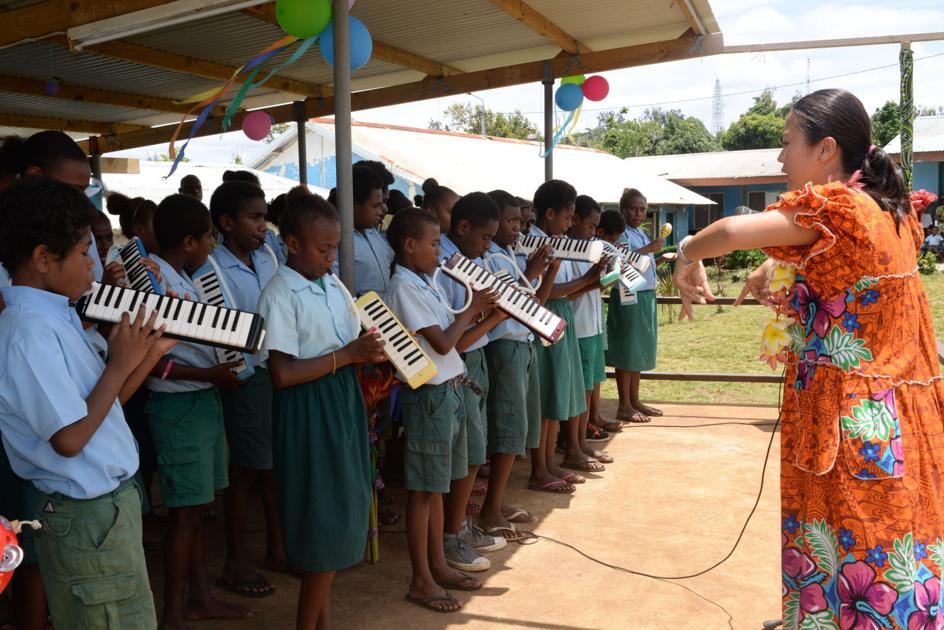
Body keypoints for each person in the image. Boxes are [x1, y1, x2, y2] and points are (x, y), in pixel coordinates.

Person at [674, 88, 944, 628]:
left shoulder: (840, 208)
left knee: (855, 544)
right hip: (890, 419)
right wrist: (773, 270)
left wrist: (684, 255)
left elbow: (727, 231)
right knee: (881, 547)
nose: (780, 158)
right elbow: (848, 276)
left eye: (787, 142)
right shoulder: (888, 212)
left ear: (825, 149)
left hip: (852, 424)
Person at [0, 176, 173, 630]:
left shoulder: (55, 314)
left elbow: (102, 411)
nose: (95, 266)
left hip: (104, 512)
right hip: (84, 518)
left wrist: (149, 351)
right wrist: (119, 362)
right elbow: (71, 439)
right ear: (42, 258)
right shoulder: (28, 331)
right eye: (83, 254)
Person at [258, 187, 385, 629]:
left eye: (335, 249)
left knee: (340, 508)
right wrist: (349, 355)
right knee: (322, 522)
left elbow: (353, 337)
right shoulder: (280, 293)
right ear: (292, 243)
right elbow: (283, 374)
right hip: (307, 410)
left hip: (341, 400)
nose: (331, 258)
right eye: (323, 248)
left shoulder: (331, 284)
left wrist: (372, 351)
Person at [385, 208, 498, 612]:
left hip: (447, 391)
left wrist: (491, 315)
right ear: (409, 246)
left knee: (435, 491)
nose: (439, 251)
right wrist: (473, 306)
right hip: (428, 397)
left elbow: (457, 343)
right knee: (422, 493)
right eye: (433, 244)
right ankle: (421, 578)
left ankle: (436, 566)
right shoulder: (403, 288)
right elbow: (445, 343)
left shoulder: (423, 283)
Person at [146, 194, 248, 630]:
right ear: (189, 241)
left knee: (200, 506)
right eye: (208, 237)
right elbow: (153, 361)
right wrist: (211, 375)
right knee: (185, 513)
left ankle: (199, 596)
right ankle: (173, 611)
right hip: (180, 406)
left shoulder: (180, 277)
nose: (212, 245)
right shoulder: (153, 282)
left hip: (200, 402)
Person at [206, 181, 285, 599]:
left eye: (264, 216)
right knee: (246, 470)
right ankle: (235, 559)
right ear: (226, 222)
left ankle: (276, 545)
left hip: (275, 370)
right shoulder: (213, 269)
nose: (262, 225)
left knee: (272, 466)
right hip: (246, 376)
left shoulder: (268, 256)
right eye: (254, 217)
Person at [434, 193, 510, 571]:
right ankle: (451, 535)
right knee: (461, 454)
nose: (489, 246)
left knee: (472, 451)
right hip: (458, 365)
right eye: (485, 238)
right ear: (463, 228)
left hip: (472, 359)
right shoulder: (449, 266)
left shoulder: (468, 260)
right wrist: (492, 316)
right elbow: (455, 338)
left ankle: (460, 527)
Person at [528, 180, 606, 493]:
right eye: (567, 217)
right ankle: (539, 468)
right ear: (549, 214)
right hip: (544, 322)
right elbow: (543, 294)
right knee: (547, 398)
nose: (570, 223)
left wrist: (593, 282)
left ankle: (548, 463)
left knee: (556, 398)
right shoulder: (535, 244)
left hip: (559, 320)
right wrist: (587, 280)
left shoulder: (553, 241)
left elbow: (564, 291)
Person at [480, 190, 550, 537]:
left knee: (517, 426)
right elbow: (510, 302)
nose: (518, 228)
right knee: (506, 427)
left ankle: (498, 499)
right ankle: (490, 509)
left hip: (523, 342)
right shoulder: (489, 258)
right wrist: (531, 269)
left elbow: (535, 300)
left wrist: (541, 270)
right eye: (511, 221)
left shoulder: (508, 252)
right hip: (504, 344)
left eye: (520, 221)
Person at [605, 188, 672, 424]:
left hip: (644, 296)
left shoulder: (640, 233)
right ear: (622, 209)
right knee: (626, 351)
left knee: (638, 351)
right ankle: (624, 405)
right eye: (633, 208)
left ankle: (635, 400)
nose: (638, 213)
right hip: (628, 295)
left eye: (642, 209)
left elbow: (641, 262)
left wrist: (659, 258)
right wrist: (651, 249)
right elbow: (620, 260)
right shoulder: (621, 233)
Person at [566, 195, 614, 465]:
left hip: (593, 326)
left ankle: (581, 442)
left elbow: (593, 286)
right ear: (574, 221)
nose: (593, 232)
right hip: (580, 327)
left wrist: (605, 278)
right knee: (580, 391)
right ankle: (573, 445)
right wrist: (591, 281)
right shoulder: (570, 251)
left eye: (596, 227)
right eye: (590, 226)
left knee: (590, 386)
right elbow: (564, 294)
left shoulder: (589, 250)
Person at [592, 210, 629, 434]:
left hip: (595, 320)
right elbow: (590, 285)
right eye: (611, 240)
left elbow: (599, 286)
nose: (612, 244)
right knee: (588, 378)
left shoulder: (601, 248)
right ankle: (589, 419)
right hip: (583, 323)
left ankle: (595, 415)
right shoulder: (589, 249)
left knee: (596, 374)